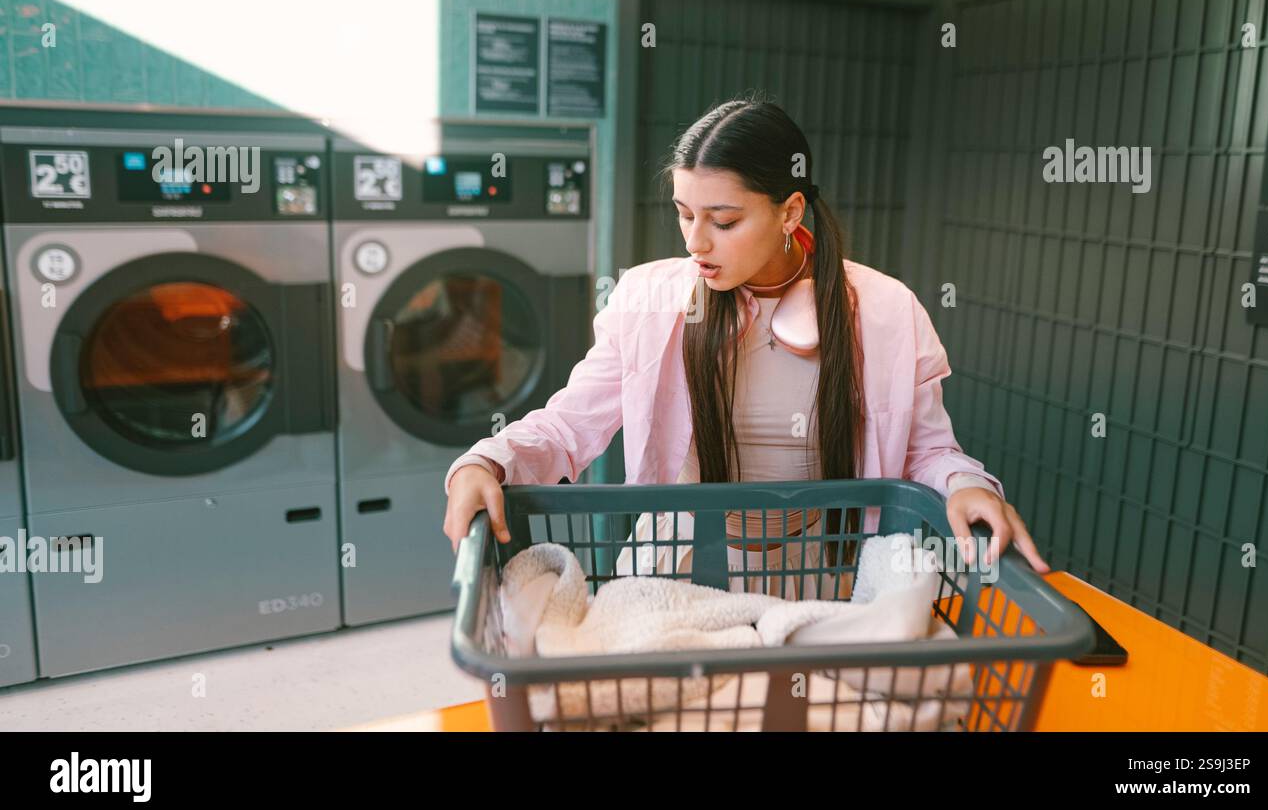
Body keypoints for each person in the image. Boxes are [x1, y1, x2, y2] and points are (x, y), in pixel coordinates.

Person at [442, 95, 1051, 595]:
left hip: (820, 577)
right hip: (674, 573)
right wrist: (486, 460)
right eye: (684, 214)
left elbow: (926, 454)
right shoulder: (649, 302)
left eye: (724, 221)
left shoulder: (884, 311)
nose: (695, 242)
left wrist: (968, 485)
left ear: (790, 212)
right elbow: (568, 427)